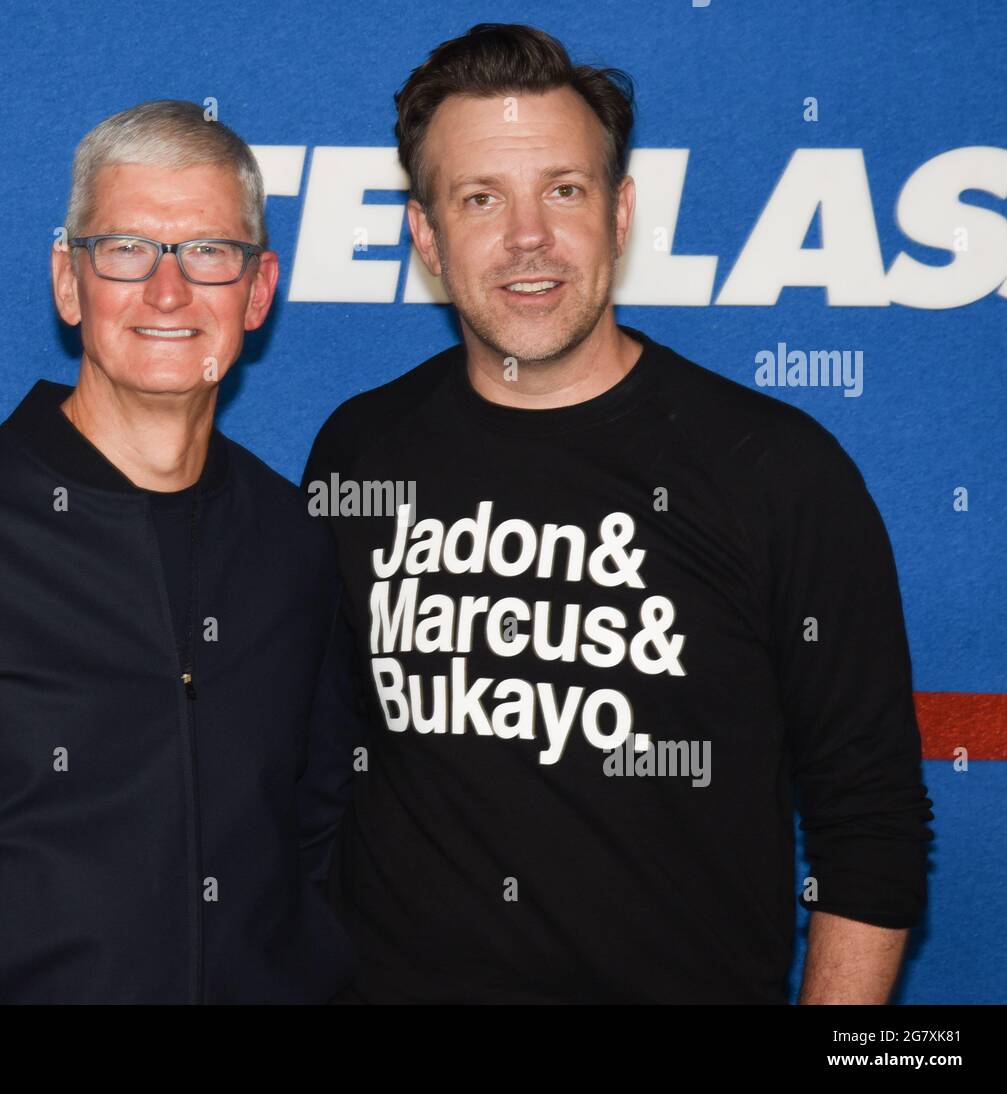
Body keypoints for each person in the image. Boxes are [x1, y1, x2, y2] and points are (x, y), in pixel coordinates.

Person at [302, 23, 933, 1004]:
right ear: (425, 235)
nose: (527, 237)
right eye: (479, 198)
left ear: (620, 209)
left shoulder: (775, 469)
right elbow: (312, 770)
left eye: (564, 189)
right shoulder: (359, 451)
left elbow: (873, 819)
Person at [0, 99, 359, 1004]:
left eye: (208, 252)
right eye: (127, 249)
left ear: (258, 289)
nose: (168, 293)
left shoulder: (294, 544)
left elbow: (316, 847)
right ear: (68, 280)